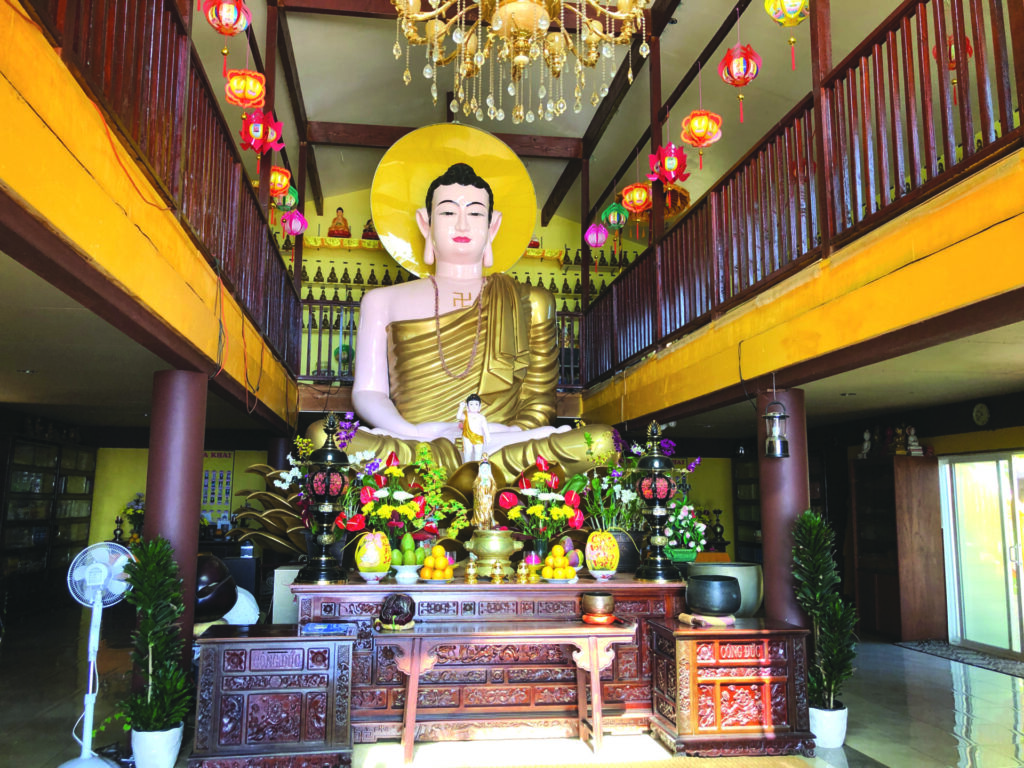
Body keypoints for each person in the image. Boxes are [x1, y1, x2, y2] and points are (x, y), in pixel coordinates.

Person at [337, 126, 611, 478]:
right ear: (426, 223)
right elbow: (368, 393)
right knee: (328, 440)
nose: (462, 223)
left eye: (476, 213)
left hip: (501, 444)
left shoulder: (531, 301)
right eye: (449, 212)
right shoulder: (381, 300)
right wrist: (419, 432)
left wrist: (497, 436)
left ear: (493, 225)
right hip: (417, 443)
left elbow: (540, 407)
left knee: (601, 442)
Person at [457, 394, 489, 463]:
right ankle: (466, 465)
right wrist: (461, 408)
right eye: (471, 404)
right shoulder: (466, 415)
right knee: (468, 451)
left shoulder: (481, 417)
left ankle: (476, 466)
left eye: (476, 404)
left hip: (479, 437)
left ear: (480, 407)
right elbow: (458, 417)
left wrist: (488, 437)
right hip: (467, 436)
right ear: (467, 406)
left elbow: (485, 428)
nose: (474, 406)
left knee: (478, 452)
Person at [472, 454, 497, 530]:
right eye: (483, 467)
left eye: (486, 467)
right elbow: (475, 489)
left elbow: (494, 489)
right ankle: (479, 530)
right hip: (480, 502)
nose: (485, 469)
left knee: (488, 516)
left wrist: (490, 493)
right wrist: (480, 489)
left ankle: (489, 527)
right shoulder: (478, 480)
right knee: (480, 517)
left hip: (488, 501)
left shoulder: (491, 480)